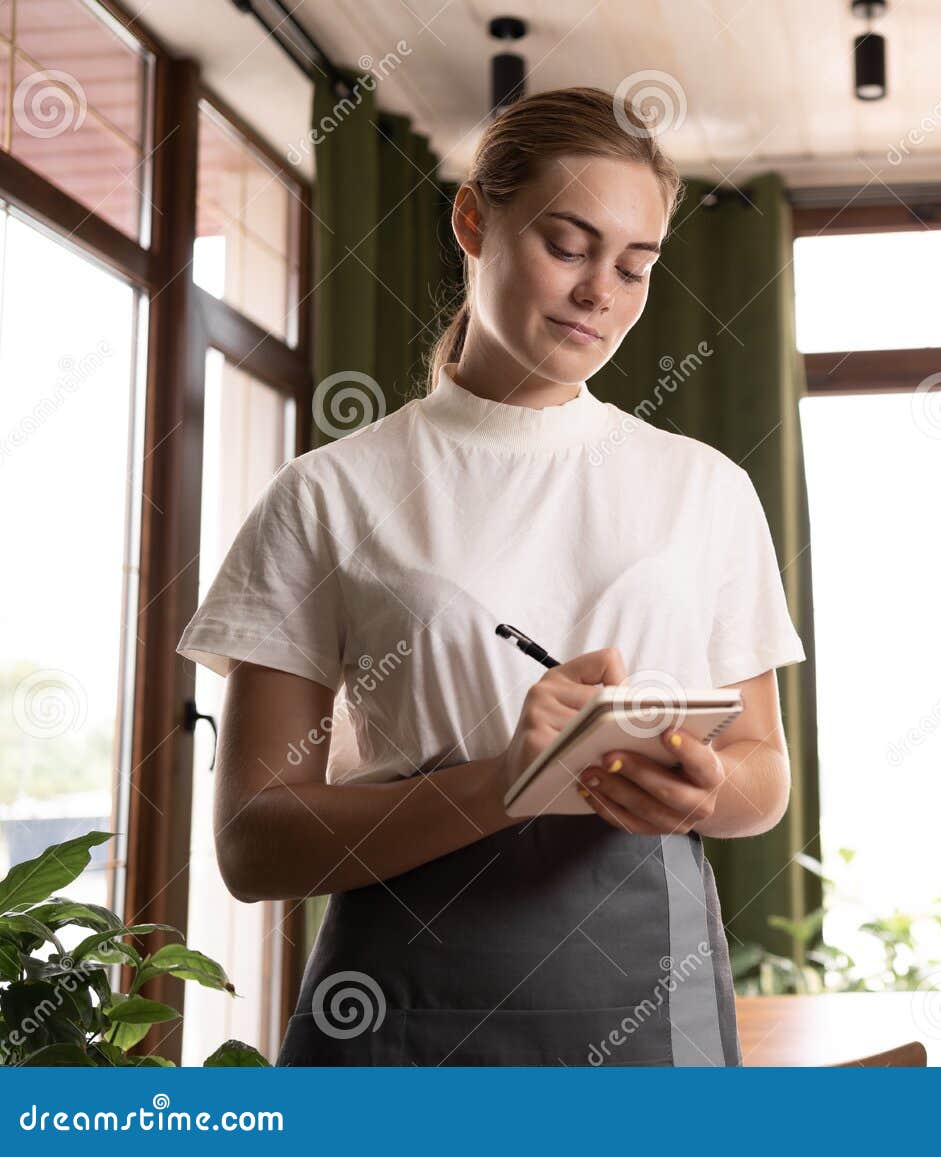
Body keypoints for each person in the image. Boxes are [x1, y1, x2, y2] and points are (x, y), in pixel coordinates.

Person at [175, 86, 806, 1066]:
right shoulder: (327, 495)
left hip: (655, 1009)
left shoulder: (704, 489)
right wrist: (505, 781)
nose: (602, 290)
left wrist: (707, 787)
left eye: (636, 266)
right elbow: (253, 844)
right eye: (569, 244)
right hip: (401, 1017)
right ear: (473, 218)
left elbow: (763, 773)